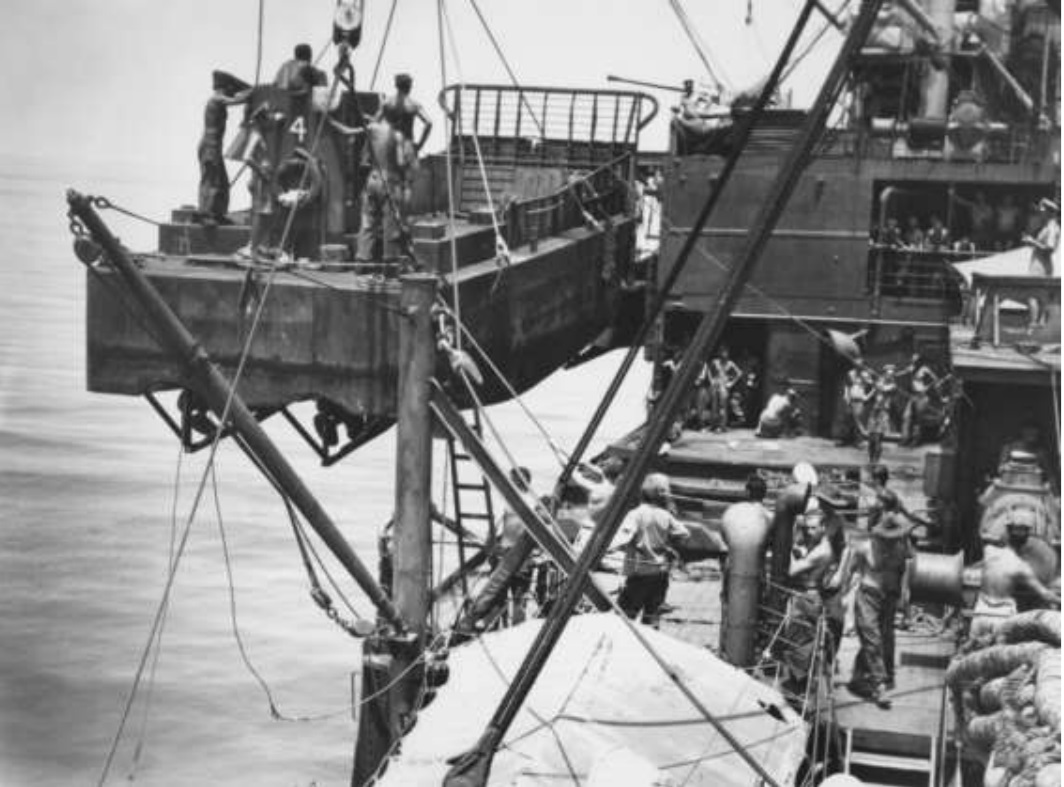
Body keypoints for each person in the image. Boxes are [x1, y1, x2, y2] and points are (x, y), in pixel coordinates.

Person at [845, 490, 913, 709]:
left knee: (878, 641)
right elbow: (849, 573)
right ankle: (880, 687)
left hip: (889, 598)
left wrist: (905, 596)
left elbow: (906, 571)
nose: (890, 542)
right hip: (867, 596)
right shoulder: (865, 547)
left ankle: (857, 678)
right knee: (872, 640)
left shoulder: (902, 547)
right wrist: (844, 600)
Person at [613, 474, 689, 627]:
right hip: (660, 574)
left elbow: (630, 539)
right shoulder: (665, 515)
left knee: (624, 618)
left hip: (639, 573)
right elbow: (684, 534)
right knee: (652, 616)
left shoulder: (635, 514)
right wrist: (667, 547)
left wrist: (649, 554)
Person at [972, 512, 1060, 641]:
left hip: (980, 611)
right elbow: (1046, 595)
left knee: (968, 652)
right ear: (1027, 537)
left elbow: (975, 566)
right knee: (997, 657)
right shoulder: (1021, 567)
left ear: (1007, 530)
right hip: (1002, 616)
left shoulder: (989, 551)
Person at [196, 71, 251, 226]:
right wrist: (253, 91)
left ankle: (218, 213)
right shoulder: (217, 98)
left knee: (222, 182)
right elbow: (239, 100)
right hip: (210, 146)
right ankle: (206, 214)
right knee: (211, 180)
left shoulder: (218, 98)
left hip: (214, 146)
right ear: (225, 87)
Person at [377, 73, 433, 208]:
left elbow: (375, 122)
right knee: (407, 183)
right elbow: (429, 122)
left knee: (389, 181)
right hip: (407, 145)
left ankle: (390, 215)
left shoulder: (386, 103)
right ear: (409, 86)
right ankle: (402, 216)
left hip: (389, 144)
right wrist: (420, 144)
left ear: (396, 86)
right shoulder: (414, 104)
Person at [355, 120, 406, 268]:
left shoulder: (372, 131)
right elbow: (401, 162)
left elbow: (364, 161)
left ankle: (361, 261)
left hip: (372, 179)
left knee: (367, 221)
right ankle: (390, 262)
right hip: (389, 181)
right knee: (390, 222)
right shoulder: (397, 135)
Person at [1023, 198, 1059, 329]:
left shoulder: (1052, 228)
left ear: (1050, 212)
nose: (1040, 213)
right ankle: (1038, 324)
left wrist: (1033, 242)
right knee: (1038, 296)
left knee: (1034, 295)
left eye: (1042, 211)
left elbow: (1049, 249)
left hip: (1041, 265)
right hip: (1038, 263)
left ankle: (1035, 325)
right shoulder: (1047, 226)